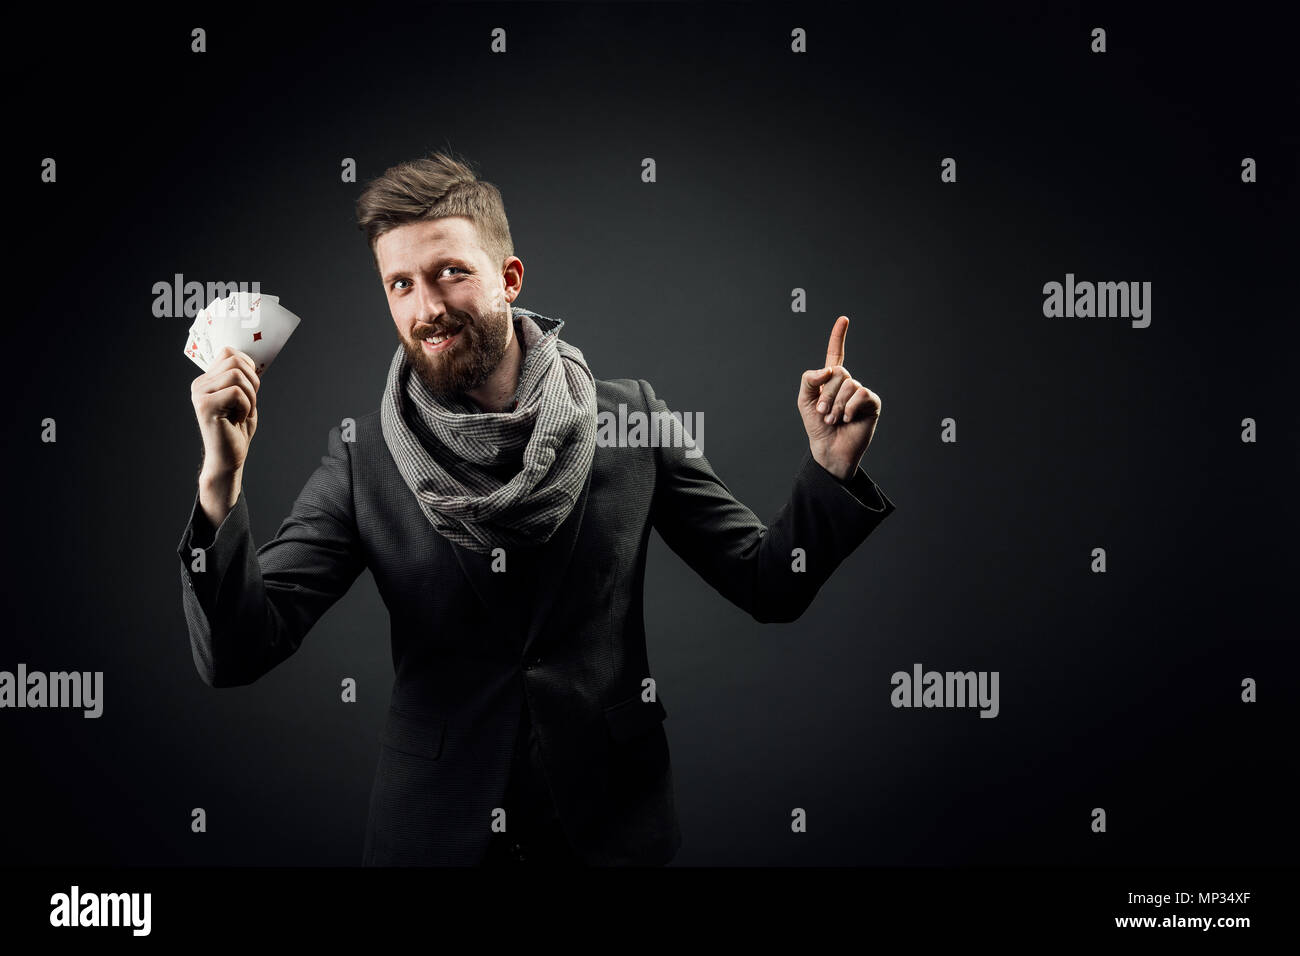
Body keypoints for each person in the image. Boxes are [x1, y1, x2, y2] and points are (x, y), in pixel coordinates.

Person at [177, 151, 896, 866]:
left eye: (449, 273)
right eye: (400, 284)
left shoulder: (631, 418)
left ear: (509, 280)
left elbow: (769, 583)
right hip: (436, 836)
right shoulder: (364, 458)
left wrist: (831, 467)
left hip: (611, 829)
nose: (426, 307)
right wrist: (221, 483)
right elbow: (241, 652)